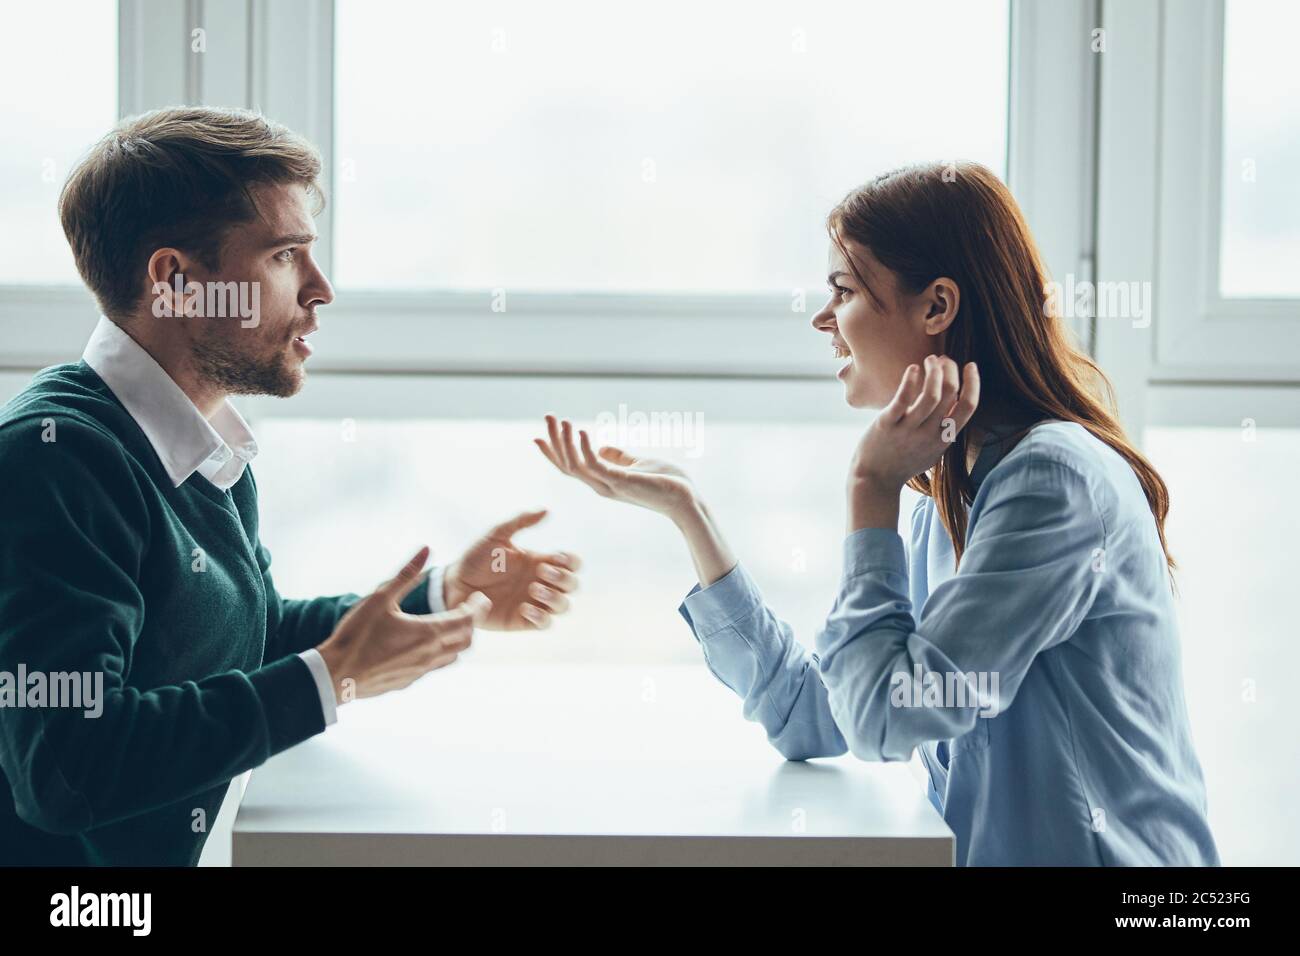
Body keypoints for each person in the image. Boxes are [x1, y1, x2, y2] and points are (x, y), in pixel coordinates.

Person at [535, 161, 1220, 866]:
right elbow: (815, 714)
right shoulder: (948, 496)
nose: (823, 319)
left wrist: (870, 485)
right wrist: (692, 514)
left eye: (843, 289)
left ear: (936, 307)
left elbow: (888, 715)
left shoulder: (1051, 484)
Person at [0, 107, 580, 865]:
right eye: (285, 256)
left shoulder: (201, 446)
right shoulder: (56, 463)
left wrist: (440, 594)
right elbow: (67, 771)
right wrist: (332, 678)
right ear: (174, 281)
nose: (321, 288)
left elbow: (242, 637)